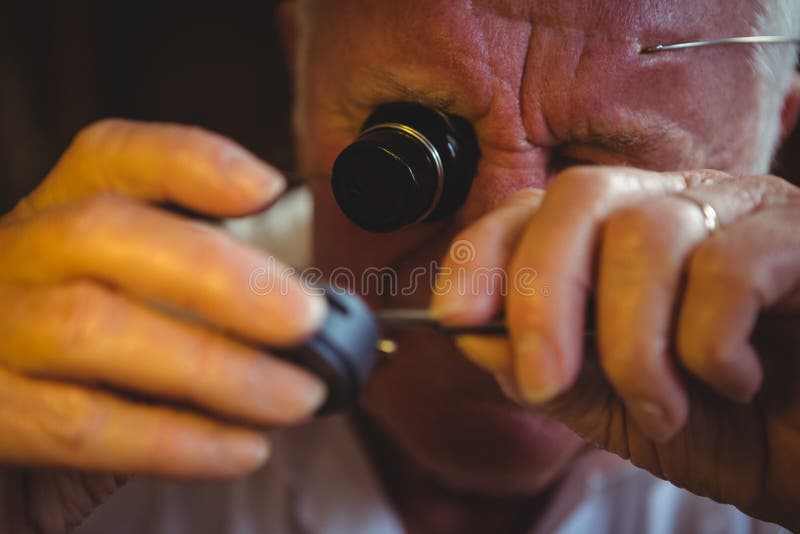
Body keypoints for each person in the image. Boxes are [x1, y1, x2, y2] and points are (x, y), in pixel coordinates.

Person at [1, 0, 799, 532]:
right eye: (401, 159)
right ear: (301, 73)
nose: (483, 282)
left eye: (604, 174)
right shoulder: (71, 396)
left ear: (774, 130)